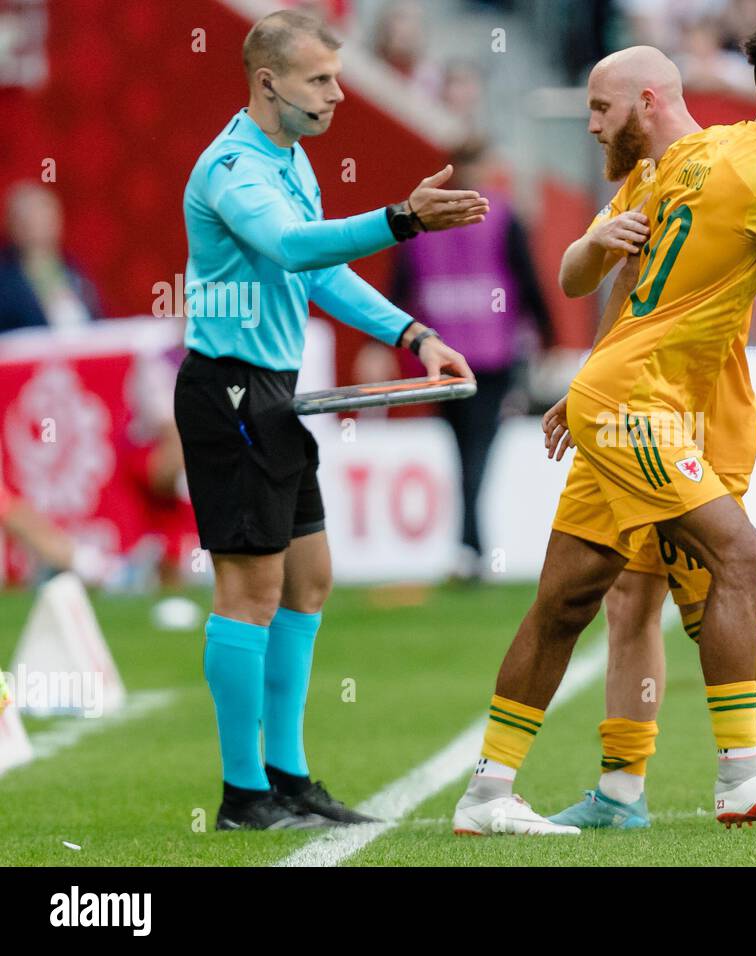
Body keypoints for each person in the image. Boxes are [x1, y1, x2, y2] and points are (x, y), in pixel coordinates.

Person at [450, 36, 756, 837]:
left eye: (600, 110)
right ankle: (742, 774)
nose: (592, 127)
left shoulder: (694, 161)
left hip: (666, 400)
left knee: (582, 598)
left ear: (645, 103)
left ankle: (495, 789)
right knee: (728, 567)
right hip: (641, 402)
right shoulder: (733, 168)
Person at [174, 8, 482, 831]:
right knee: (251, 592)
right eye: (321, 79)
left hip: (272, 394)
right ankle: (244, 796)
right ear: (268, 83)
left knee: (308, 580)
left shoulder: (292, 159)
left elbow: (324, 273)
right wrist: (403, 217)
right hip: (231, 393)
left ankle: (290, 775)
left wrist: (415, 334)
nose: (338, 94)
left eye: (338, 77)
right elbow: (292, 248)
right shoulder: (235, 167)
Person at [392, 146, 554, 581]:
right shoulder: (501, 214)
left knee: (465, 449)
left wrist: (386, 338)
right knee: (476, 449)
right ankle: (471, 548)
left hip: (442, 353)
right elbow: (528, 277)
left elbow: (399, 283)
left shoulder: (423, 221)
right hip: (488, 352)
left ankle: (469, 548)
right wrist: (548, 334)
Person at [0, 182, 101, 334]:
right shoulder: (6, 278)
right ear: (15, 225)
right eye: (33, 219)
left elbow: (97, 318)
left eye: (48, 218)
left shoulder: (72, 268)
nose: (43, 227)